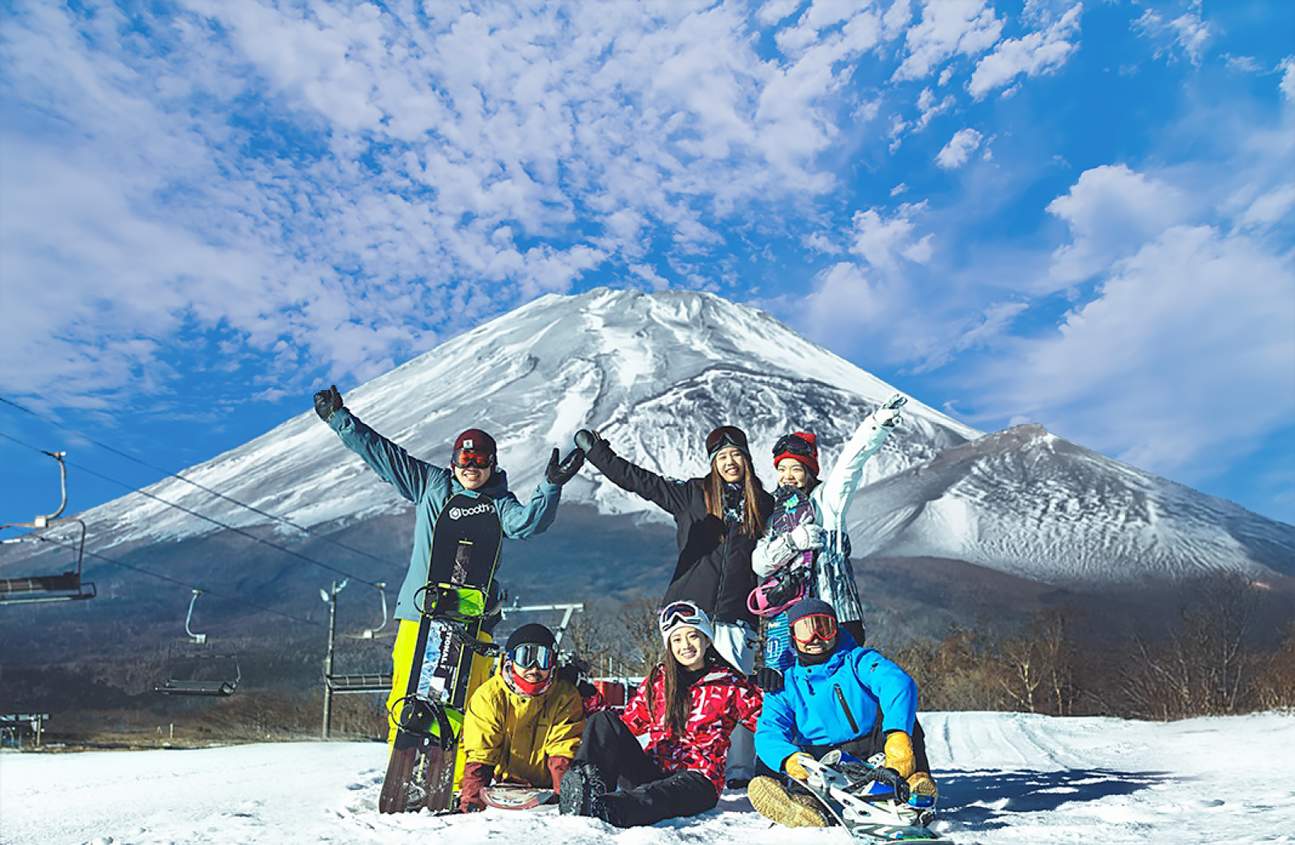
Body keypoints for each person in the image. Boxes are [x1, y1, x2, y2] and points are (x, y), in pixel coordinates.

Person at [311, 385, 584, 754]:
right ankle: (403, 759)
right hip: (421, 612)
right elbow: (382, 454)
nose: (472, 468)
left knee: (467, 700)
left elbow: (525, 525)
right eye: (465, 460)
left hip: (472, 619)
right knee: (408, 691)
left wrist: (551, 486)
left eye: (481, 461)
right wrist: (339, 419)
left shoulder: (500, 503)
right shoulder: (430, 484)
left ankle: (461, 772)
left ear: (493, 465)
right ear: (453, 462)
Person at [573, 425, 772, 781]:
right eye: (722, 457)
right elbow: (640, 481)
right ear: (712, 463)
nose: (730, 462)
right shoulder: (692, 494)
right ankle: (673, 762)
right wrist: (597, 453)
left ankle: (741, 776)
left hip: (734, 615)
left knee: (737, 692)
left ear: (747, 459)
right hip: (688, 614)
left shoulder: (765, 504)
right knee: (677, 690)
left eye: (736, 455)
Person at [559, 601, 763, 827]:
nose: (685, 645)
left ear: (707, 639)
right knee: (602, 721)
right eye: (676, 639)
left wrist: (772, 689)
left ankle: (609, 809)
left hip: (698, 780)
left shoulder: (731, 684)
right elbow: (625, 724)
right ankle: (584, 790)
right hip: (653, 769)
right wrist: (586, 692)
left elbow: (768, 724)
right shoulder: (659, 682)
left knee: (655, 796)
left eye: (693, 636)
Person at [751, 395, 905, 690]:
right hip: (790, 620)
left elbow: (851, 464)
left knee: (845, 685)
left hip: (837, 610)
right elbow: (759, 562)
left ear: (809, 471)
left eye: (796, 469)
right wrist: (792, 542)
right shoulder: (775, 514)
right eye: (781, 469)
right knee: (799, 691)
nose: (788, 477)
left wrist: (876, 425)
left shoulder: (827, 500)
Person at [750, 598, 937, 828]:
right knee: (789, 763)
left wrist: (897, 735)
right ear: (793, 638)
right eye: (804, 632)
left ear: (836, 630)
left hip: (874, 747)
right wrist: (790, 759)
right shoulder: (786, 684)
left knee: (906, 722)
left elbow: (896, 683)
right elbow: (769, 731)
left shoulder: (857, 660)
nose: (815, 638)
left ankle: (914, 784)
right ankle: (806, 807)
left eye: (823, 628)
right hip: (821, 759)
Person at [459, 623, 584, 812]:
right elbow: (481, 753)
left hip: (548, 787)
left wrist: (566, 800)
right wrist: (470, 804)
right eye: (525, 657)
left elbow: (563, 748)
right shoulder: (489, 696)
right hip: (505, 784)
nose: (534, 669)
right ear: (510, 660)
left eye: (542, 659)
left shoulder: (565, 695)